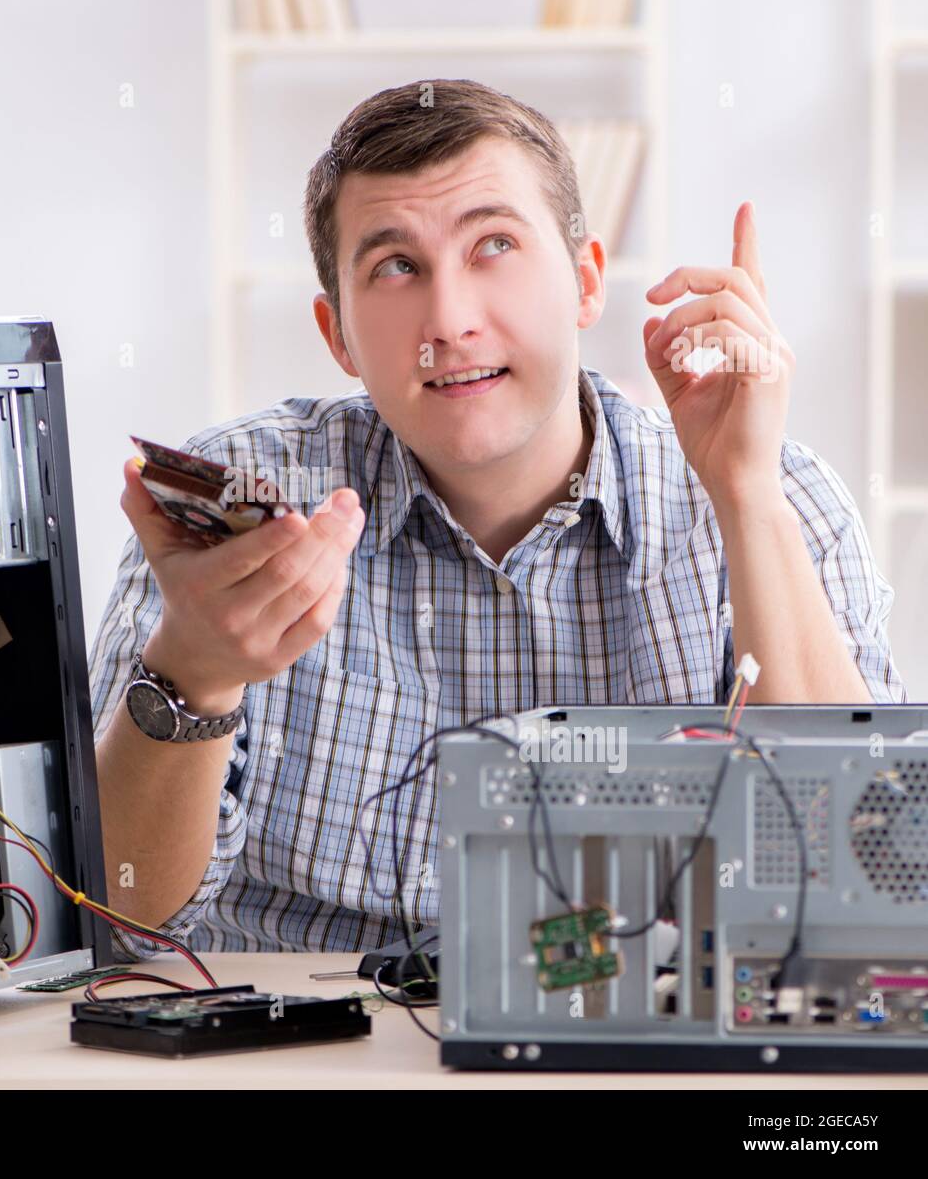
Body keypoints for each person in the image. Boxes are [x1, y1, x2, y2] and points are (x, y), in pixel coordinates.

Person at [87, 79, 904, 959]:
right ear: (340, 338)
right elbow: (116, 914)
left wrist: (747, 495)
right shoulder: (237, 514)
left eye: (495, 245)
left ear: (588, 282)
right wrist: (195, 677)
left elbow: (862, 903)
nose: (450, 319)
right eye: (396, 266)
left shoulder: (781, 494)